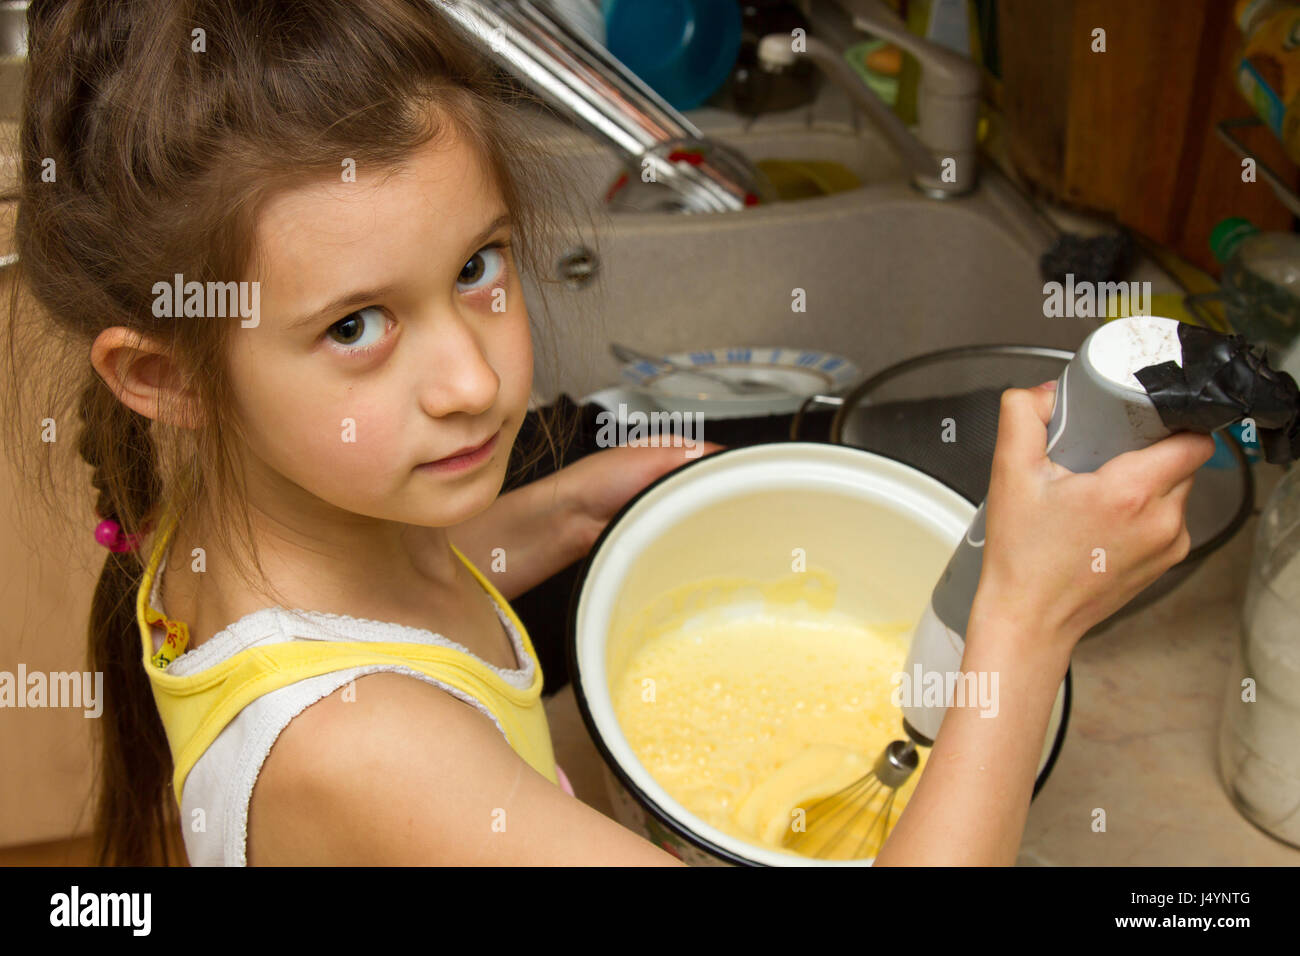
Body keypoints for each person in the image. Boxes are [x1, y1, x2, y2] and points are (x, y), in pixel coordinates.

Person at [3, 0, 1214, 866]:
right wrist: (1019, 624)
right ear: (170, 374)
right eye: (358, 324)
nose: (473, 378)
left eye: (476, 265)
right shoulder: (364, 752)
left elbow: (401, 613)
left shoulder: (250, 531)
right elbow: (399, 710)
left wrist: (555, 513)